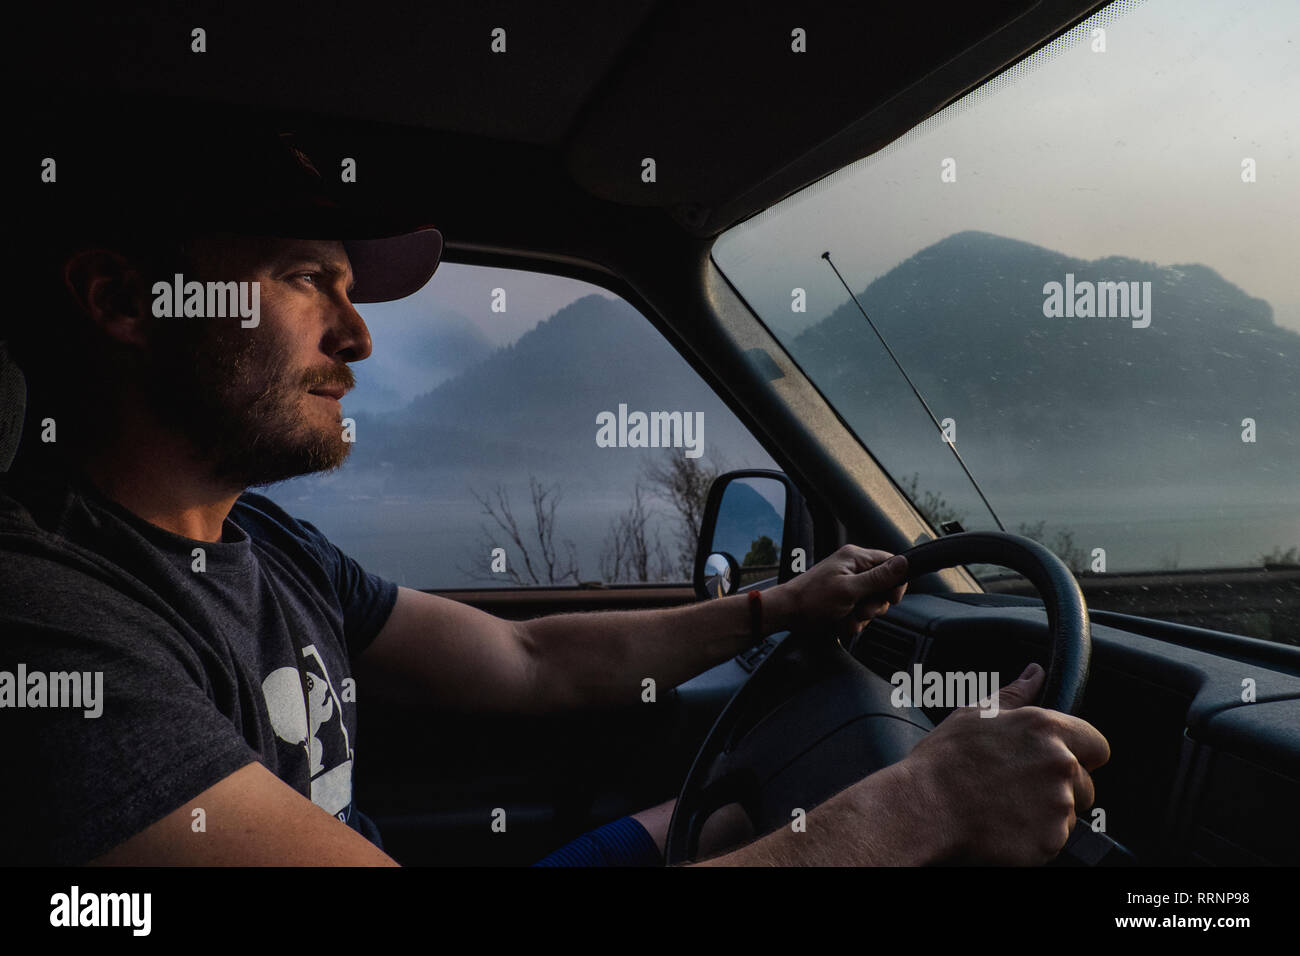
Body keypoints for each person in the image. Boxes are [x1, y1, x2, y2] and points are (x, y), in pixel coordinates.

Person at [0, 132, 1108, 866]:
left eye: (346, 288)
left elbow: (530, 661)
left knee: (726, 802)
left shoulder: (264, 538)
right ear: (124, 302)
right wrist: (916, 805)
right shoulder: (46, 618)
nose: (359, 336)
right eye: (303, 278)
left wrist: (781, 608)